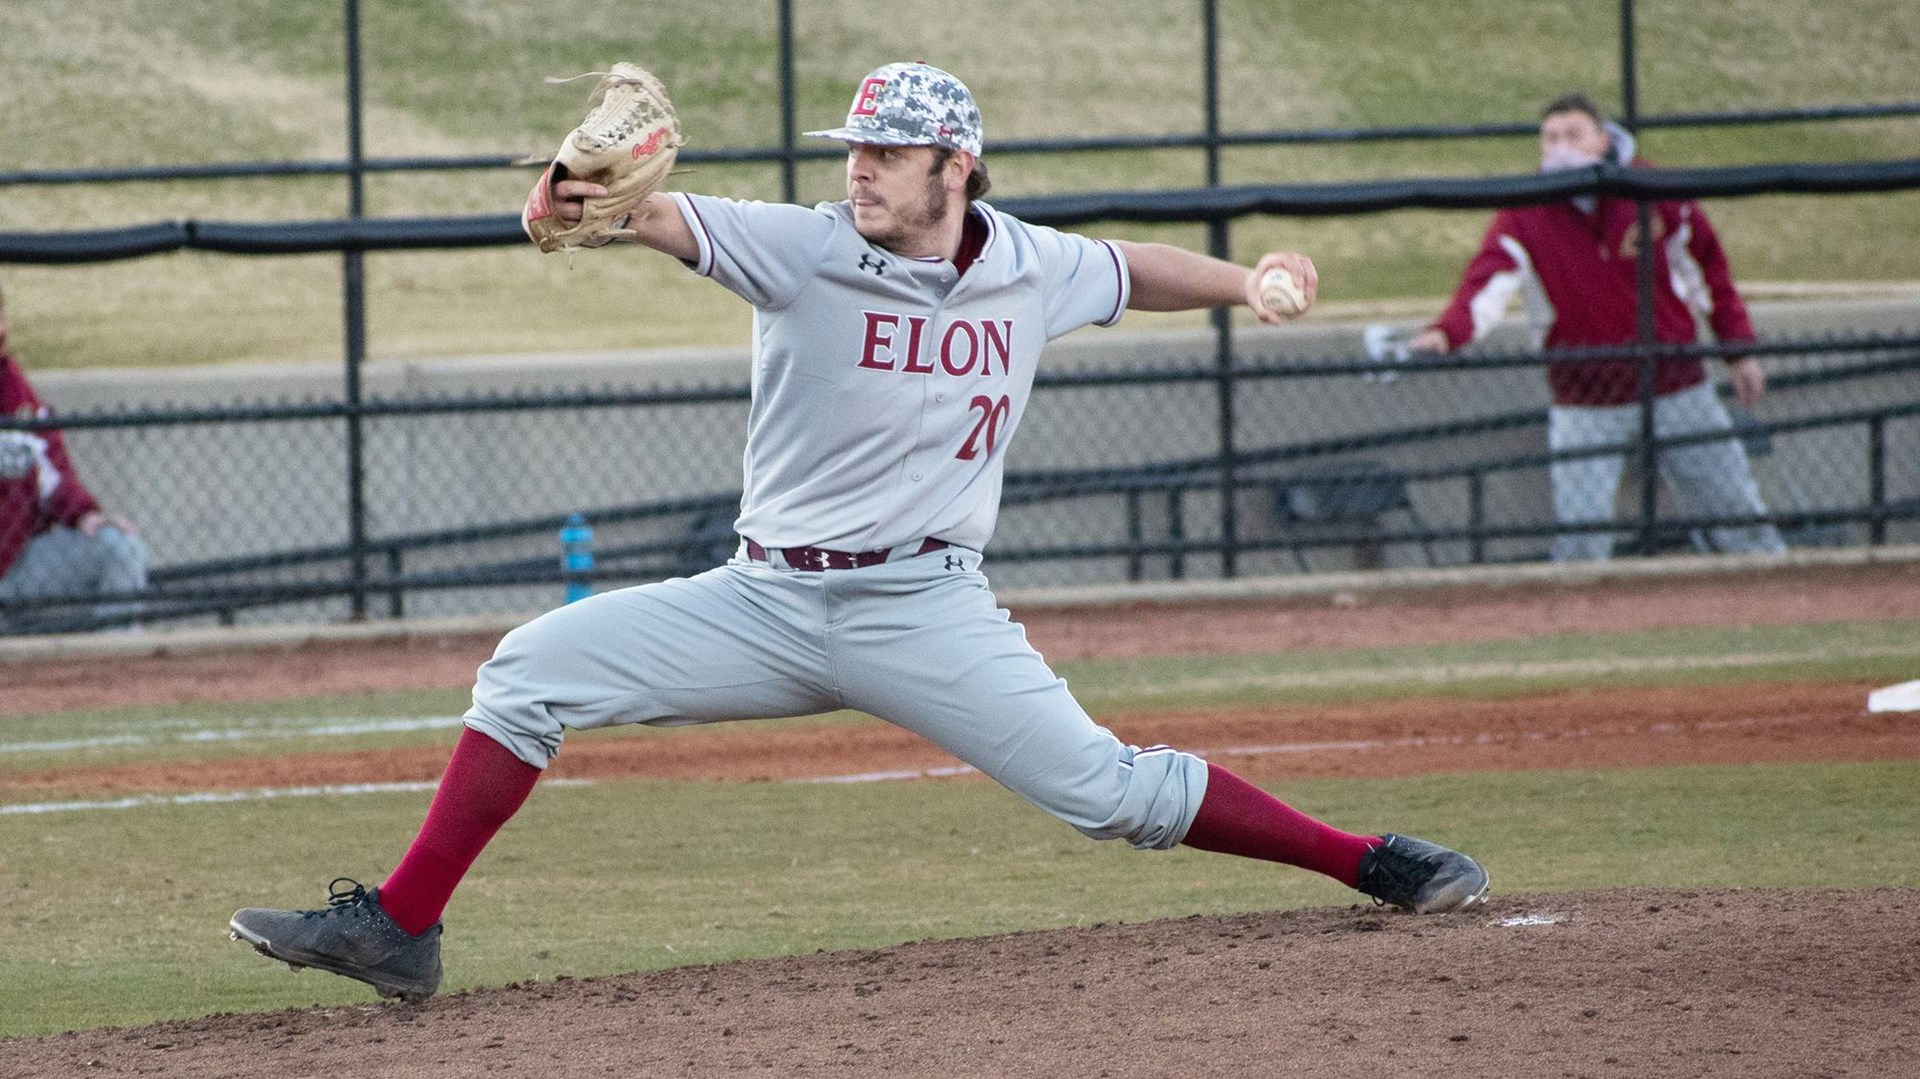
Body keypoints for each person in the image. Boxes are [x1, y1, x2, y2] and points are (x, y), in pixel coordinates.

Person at [229, 61, 1489, 1003]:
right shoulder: (801, 248)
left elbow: (1128, 268)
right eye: (854, 148)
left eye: (888, 151)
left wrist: (1245, 280)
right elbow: (623, 220)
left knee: (1111, 794)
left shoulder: (1027, 264)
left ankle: (1369, 859)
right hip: (763, 601)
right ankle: (402, 928)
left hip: (923, 608)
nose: (860, 169)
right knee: (528, 670)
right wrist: (571, 192)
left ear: (958, 168)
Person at [1407, 92, 1787, 562]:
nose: (1561, 147)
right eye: (1550, 138)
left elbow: (1708, 272)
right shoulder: (1524, 210)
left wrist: (1739, 350)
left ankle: (1776, 590)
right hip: (1585, 398)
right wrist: (1445, 333)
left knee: (1738, 516)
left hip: (1675, 383)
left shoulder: (1653, 189)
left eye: (1574, 135)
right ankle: (1575, 608)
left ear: (1603, 140)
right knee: (1582, 537)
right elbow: (1487, 283)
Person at [0, 283, 148, 630]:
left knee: (121, 550)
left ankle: (117, 661)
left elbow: (51, 473)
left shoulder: (14, 389)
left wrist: (82, 514)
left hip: (17, 566)